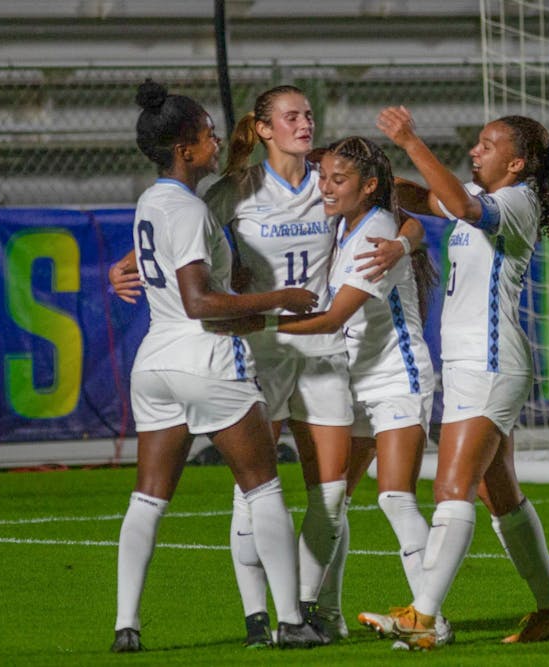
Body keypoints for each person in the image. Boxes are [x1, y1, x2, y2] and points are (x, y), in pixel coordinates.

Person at [109, 85, 422, 646]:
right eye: (291, 115)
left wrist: (405, 242)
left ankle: (316, 608)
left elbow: (409, 207)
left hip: (322, 349)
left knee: (330, 495)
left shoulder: (334, 173)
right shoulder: (237, 189)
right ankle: (260, 618)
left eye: (308, 113)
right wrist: (124, 264)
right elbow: (182, 238)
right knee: (253, 492)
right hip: (258, 348)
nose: (305, 122)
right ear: (264, 128)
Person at [357, 106, 549, 650]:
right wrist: (367, 173)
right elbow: (428, 198)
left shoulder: (515, 202)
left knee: (452, 488)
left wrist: (408, 140)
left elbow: (462, 206)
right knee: (501, 495)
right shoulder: (488, 196)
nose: (475, 150)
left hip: (490, 363)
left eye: (487, 145)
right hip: (479, 363)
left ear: (515, 163)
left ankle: (423, 618)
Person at [204, 135, 453, 646]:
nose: (324, 187)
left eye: (337, 180)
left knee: (395, 497)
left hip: (395, 379)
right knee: (334, 504)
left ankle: (430, 620)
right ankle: (327, 615)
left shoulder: (374, 230)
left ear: (367, 187)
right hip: (353, 376)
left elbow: (333, 319)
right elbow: (395, 205)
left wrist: (257, 324)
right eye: (323, 177)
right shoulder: (347, 221)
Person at [111, 79, 328, 653]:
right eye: (208, 135)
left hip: (153, 362)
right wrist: (277, 299)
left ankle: (126, 625)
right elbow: (200, 303)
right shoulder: (186, 208)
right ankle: (288, 620)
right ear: (185, 149)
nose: (216, 142)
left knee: (148, 497)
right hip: (203, 356)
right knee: (262, 490)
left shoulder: (152, 199)